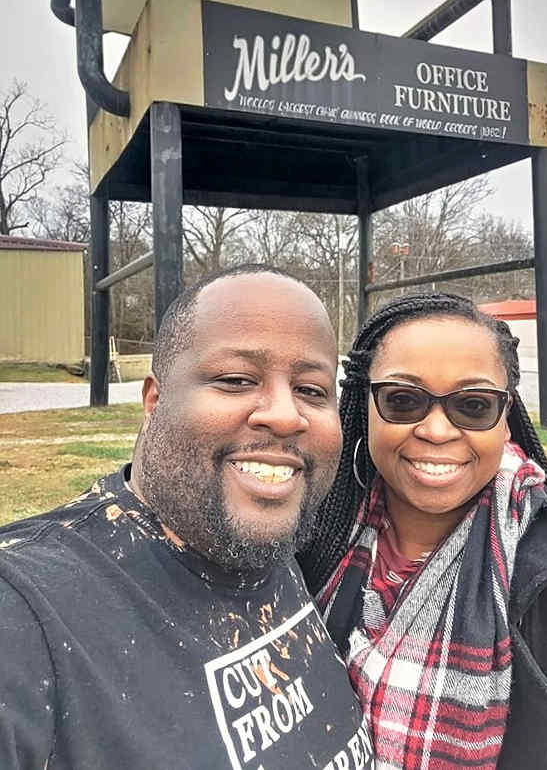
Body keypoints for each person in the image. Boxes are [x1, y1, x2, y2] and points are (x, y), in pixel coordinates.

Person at [0, 266, 374, 770]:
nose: (287, 416)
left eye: (312, 390)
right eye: (237, 380)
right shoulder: (29, 609)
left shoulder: (282, 545)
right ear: (154, 400)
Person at [299, 291, 547, 770]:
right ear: (363, 405)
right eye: (403, 401)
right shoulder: (307, 541)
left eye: (472, 406)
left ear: (505, 418)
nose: (435, 430)